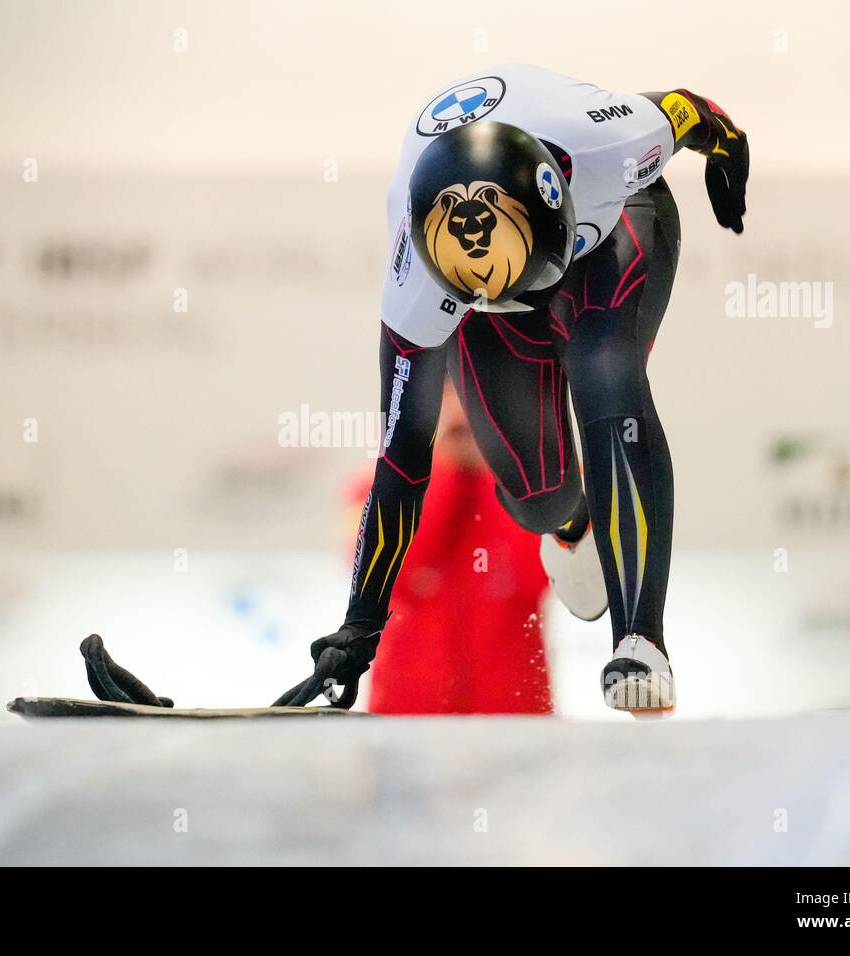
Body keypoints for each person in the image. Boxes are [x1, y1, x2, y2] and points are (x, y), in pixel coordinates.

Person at [280, 64, 749, 715]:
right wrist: (360, 624)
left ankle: (641, 640)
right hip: (497, 271)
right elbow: (401, 459)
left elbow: (691, 108)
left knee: (606, 378)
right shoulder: (415, 282)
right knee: (537, 499)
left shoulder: (608, 142)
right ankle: (576, 517)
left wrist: (728, 147)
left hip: (616, 227)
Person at [346, 381, 552, 715]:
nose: (463, 412)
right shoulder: (376, 488)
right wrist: (439, 469)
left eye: (475, 395)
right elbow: (383, 577)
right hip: (408, 714)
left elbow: (537, 577)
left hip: (513, 717)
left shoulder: (541, 489)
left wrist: (498, 467)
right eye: (449, 396)